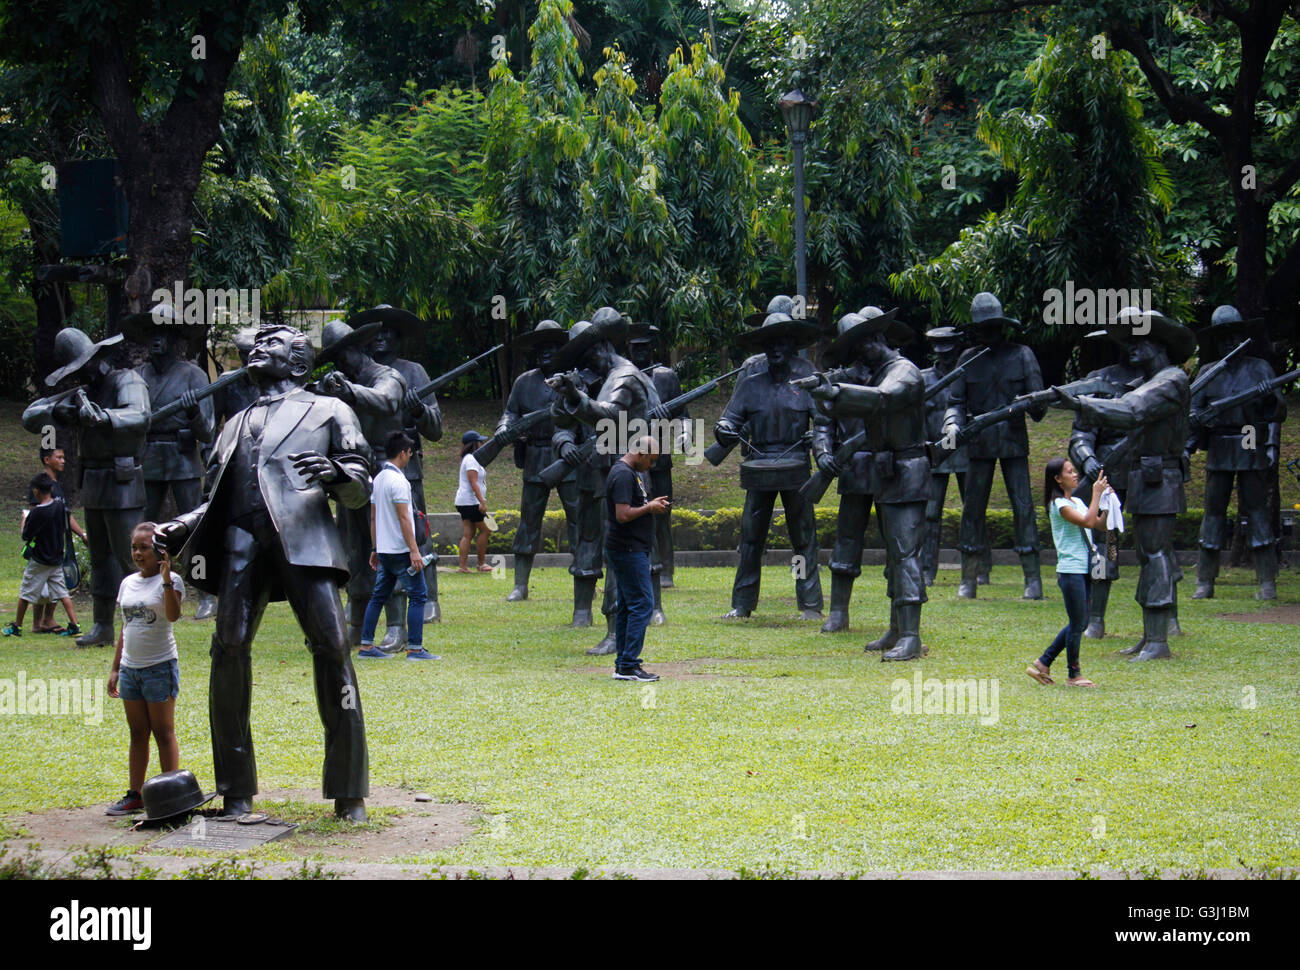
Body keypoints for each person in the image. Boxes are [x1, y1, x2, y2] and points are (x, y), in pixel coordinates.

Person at [156, 323, 372, 821]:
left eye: (271, 343)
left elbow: (360, 479)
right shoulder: (234, 423)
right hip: (240, 544)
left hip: (306, 540)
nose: (257, 349)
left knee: (334, 646)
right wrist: (180, 524)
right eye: (256, 344)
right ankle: (235, 790)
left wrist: (337, 473)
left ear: (300, 362)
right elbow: (213, 500)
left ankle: (348, 790)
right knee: (228, 649)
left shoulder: (330, 409)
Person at [22, 326, 149, 647]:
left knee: (130, 555)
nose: (84, 373)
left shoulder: (127, 381)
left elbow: (140, 416)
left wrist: (104, 417)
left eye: (85, 365)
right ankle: (103, 626)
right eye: (76, 370)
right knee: (101, 558)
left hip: (122, 481)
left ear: (98, 357)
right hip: (93, 481)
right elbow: (30, 416)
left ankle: (144, 625)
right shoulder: (83, 393)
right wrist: (58, 410)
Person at [713, 311, 824, 620]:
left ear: (792, 345)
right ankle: (742, 603)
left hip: (796, 468)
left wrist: (818, 438)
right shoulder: (750, 384)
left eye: (782, 342)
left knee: (803, 538)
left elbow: (825, 421)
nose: (775, 349)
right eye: (769, 343)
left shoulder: (805, 380)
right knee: (750, 538)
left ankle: (810, 604)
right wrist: (722, 428)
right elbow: (729, 418)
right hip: (759, 466)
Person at [942, 293, 1047, 599]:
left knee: (1023, 507)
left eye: (992, 327)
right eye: (982, 328)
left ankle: (1032, 577)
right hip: (979, 442)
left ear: (1002, 327)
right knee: (972, 509)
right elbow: (955, 402)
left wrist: (1031, 401)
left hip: (1014, 440)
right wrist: (951, 424)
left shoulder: (1023, 355)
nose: (988, 334)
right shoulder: (967, 360)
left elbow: (1039, 408)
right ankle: (969, 577)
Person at [493, 320, 581, 602]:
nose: (546, 353)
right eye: (542, 348)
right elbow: (510, 413)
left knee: (579, 518)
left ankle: (585, 574)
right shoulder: (524, 382)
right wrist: (504, 429)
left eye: (553, 347)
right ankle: (520, 584)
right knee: (528, 521)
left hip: (568, 457)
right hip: (536, 456)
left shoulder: (575, 380)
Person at [104, 522, 185, 814]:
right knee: (137, 733)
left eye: (144, 548)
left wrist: (165, 580)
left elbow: (174, 616)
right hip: (130, 669)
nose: (138, 553)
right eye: (134, 547)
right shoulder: (127, 583)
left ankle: (172, 795)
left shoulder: (172, 580)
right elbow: (125, 627)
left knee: (163, 732)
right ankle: (134, 794)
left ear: (159, 551)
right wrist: (115, 667)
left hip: (159, 667)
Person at [1026, 460, 1104, 688]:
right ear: (1058, 479)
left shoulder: (1077, 501)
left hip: (1085, 568)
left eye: (1074, 470)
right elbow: (1088, 522)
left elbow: (1099, 524)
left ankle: (1043, 663)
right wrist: (1097, 494)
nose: (1075, 474)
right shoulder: (1058, 505)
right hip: (1070, 570)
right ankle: (1073, 675)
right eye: (1069, 472)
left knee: (1080, 621)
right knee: (1078, 622)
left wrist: (1108, 503)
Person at [358, 431, 435, 660]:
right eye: (410, 453)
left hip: (385, 551)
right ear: (403, 453)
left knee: (378, 597)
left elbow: (373, 518)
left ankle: (366, 645)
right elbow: (404, 518)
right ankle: (415, 648)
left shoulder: (379, 478)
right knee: (419, 595)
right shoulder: (399, 481)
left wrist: (375, 548)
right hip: (401, 551)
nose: (410, 457)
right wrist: (414, 550)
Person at [606, 436, 670, 682]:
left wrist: (651, 504)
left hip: (631, 549)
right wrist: (649, 508)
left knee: (627, 605)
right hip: (628, 550)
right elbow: (622, 515)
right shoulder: (622, 474)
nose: (651, 466)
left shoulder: (629, 473)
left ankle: (623, 665)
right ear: (640, 453)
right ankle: (629, 665)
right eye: (651, 461)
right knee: (643, 604)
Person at [4, 473, 80, 638]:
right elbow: (66, 519)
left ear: (36, 491)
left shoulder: (37, 513)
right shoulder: (60, 506)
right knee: (62, 593)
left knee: (25, 593)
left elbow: (26, 535)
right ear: (51, 489)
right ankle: (75, 625)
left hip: (39, 561)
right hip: (56, 559)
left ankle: (17, 626)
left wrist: (24, 519)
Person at [28, 446, 87, 634]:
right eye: (59, 457)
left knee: (55, 579)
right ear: (47, 460)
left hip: (57, 542)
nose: (63, 461)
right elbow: (35, 512)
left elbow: (66, 514)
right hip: (45, 542)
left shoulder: (57, 486)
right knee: (42, 580)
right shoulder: (41, 485)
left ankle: (47, 619)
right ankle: (38, 621)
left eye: (63, 457)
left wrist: (82, 534)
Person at [456, 430, 492, 573]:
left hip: (464, 501)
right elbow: (473, 482)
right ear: (474, 444)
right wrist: (482, 502)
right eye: (480, 441)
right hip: (471, 502)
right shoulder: (471, 459)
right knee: (486, 530)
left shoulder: (470, 458)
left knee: (468, 533)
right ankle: (481, 564)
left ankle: (462, 567)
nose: (482, 444)